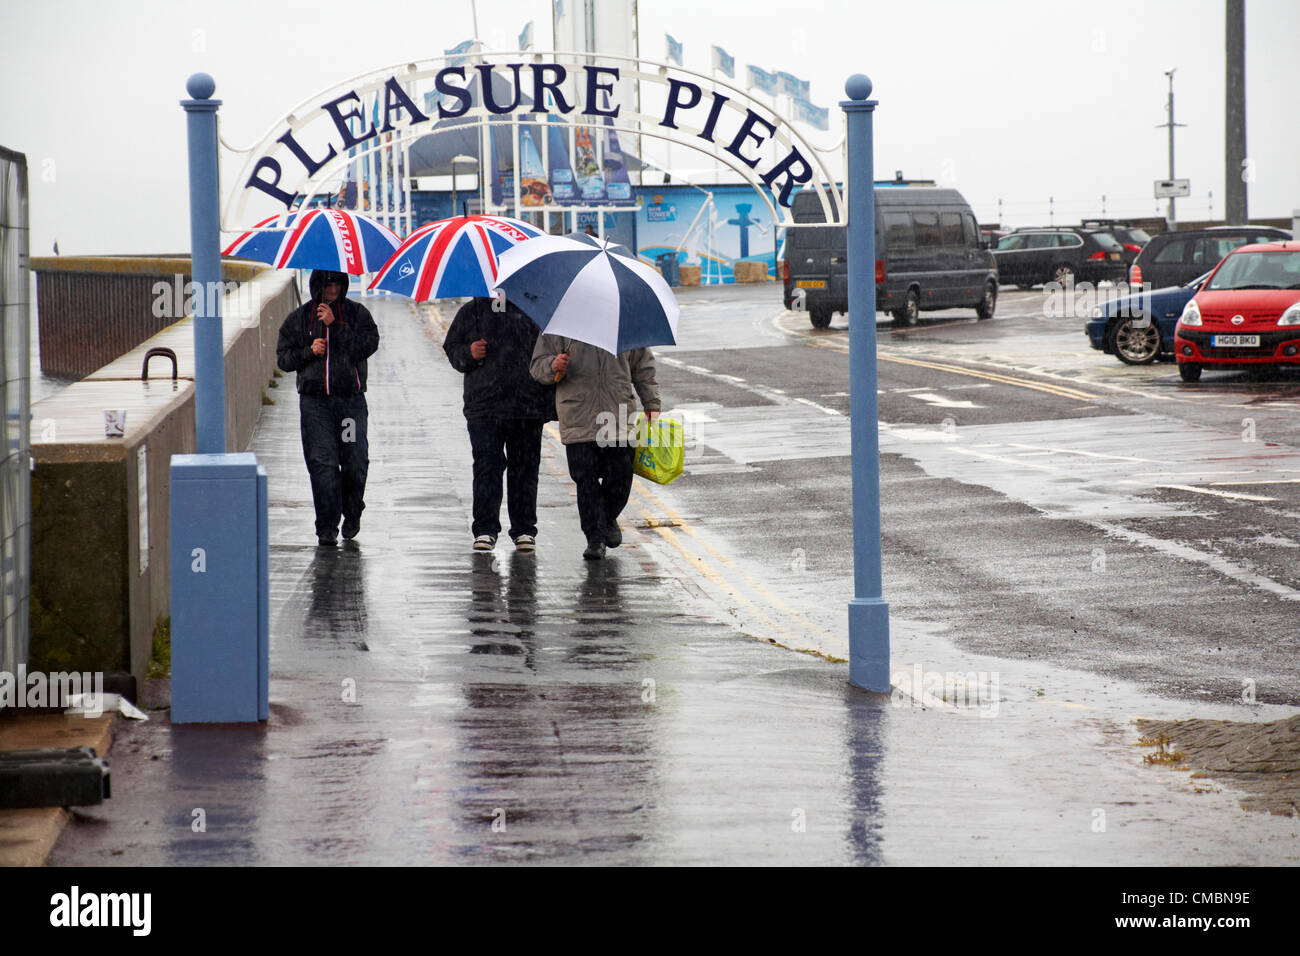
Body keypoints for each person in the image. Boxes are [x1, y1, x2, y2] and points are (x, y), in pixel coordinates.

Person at [530, 336, 659, 560]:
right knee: (585, 479)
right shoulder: (562, 326)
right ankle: (595, 538)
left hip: (617, 416)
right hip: (579, 416)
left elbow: (642, 367)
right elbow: (537, 367)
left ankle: (607, 518)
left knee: (620, 477)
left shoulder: (624, 324)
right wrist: (553, 365)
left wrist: (652, 402)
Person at [443, 295, 556, 552]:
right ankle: (485, 529)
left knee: (525, 471)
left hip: (527, 406)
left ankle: (524, 529)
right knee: (487, 468)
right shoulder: (472, 311)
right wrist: (469, 353)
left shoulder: (535, 310)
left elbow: (551, 352)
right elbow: (452, 349)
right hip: (484, 407)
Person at [275, 270, 379, 546]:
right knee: (323, 465)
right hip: (315, 404)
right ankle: (326, 526)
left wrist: (336, 327)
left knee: (355, 462)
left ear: (343, 284)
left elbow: (366, 346)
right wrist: (309, 351)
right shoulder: (299, 318)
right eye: (326, 282)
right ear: (316, 284)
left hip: (350, 403)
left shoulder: (357, 314)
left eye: (336, 282)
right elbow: (284, 360)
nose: (331, 287)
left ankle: (353, 511)